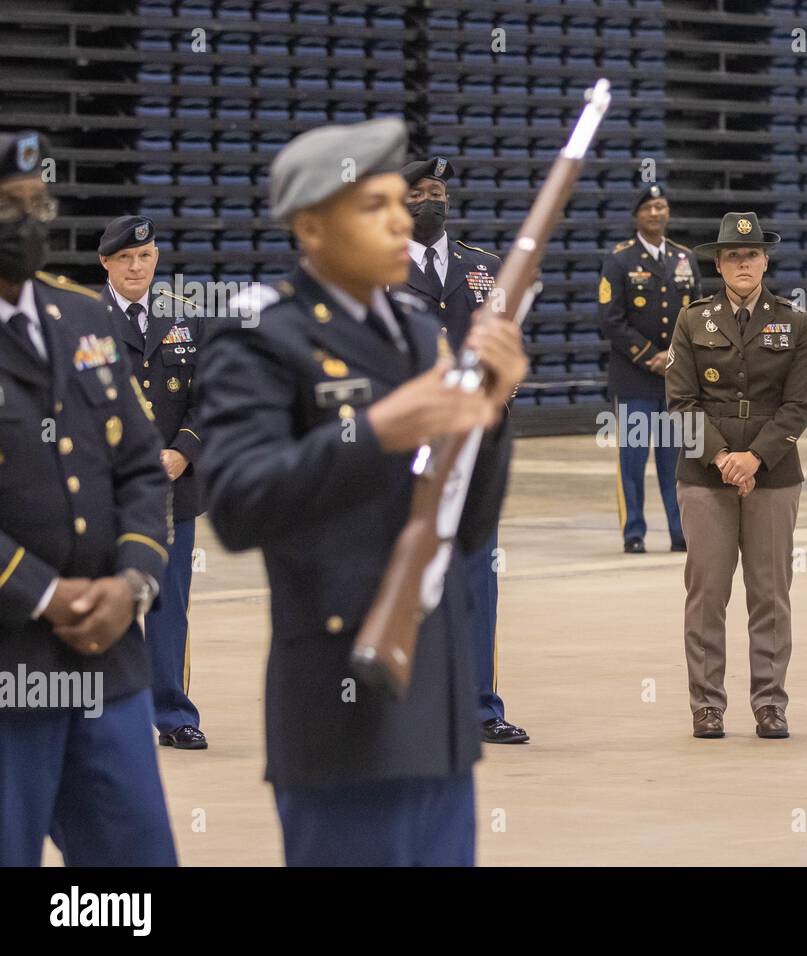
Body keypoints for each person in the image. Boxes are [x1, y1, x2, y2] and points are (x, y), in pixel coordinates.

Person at [198, 119, 527, 865]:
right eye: (372, 206)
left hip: (436, 701)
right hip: (342, 692)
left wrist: (492, 419)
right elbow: (240, 504)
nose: (399, 221)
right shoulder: (260, 333)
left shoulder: (416, 329)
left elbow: (467, 526)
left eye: (398, 203)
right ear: (310, 227)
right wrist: (372, 430)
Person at [0, 131, 176, 865]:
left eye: (38, 204)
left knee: (132, 870)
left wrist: (132, 581)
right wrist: (44, 595)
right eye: (10, 208)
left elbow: (139, 464)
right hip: (10, 666)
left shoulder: (83, 318)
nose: (29, 223)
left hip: (110, 658)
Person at [665, 212, 807, 740]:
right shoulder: (692, 320)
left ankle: (770, 704)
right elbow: (681, 402)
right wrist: (724, 457)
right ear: (718, 263)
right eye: (733, 255)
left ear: (765, 260)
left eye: (751, 255)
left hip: (773, 475)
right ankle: (707, 706)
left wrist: (756, 458)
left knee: (770, 593)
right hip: (706, 475)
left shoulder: (793, 322)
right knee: (706, 591)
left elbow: (799, 405)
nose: (743, 263)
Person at [401, 156, 527, 746]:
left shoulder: (485, 266)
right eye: (419, 193)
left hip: (474, 446)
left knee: (478, 578)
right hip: (409, 445)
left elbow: (505, 338)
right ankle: (414, 707)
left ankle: (480, 706)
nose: (431, 201)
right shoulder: (381, 269)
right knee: (408, 574)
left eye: (439, 192)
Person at [98, 215, 208, 749]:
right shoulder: (82, 322)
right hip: (103, 491)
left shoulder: (185, 318)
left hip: (173, 487)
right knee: (108, 597)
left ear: (157, 258)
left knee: (168, 602)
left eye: (144, 257)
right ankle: (110, 714)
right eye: (124, 259)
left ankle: (173, 712)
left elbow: (209, 399)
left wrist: (184, 450)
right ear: (106, 264)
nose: (136, 267)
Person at [597, 183, 701, 553]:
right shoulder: (620, 259)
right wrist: (649, 356)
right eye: (648, 208)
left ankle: (679, 531)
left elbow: (695, 316)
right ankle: (634, 532)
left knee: (676, 462)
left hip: (674, 381)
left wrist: (673, 356)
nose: (656, 213)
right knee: (633, 461)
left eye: (661, 206)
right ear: (637, 215)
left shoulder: (684, 258)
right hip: (634, 378)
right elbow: (611, 320)